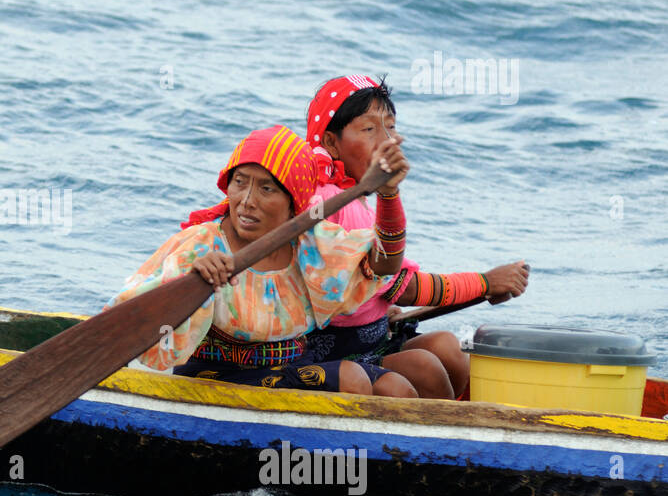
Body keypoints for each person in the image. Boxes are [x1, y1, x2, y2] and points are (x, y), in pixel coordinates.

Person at [107, 125, 417, 396]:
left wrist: (388, 194)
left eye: (266, 188)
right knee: (351, 379)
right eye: (240, 182)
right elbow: (132, 324)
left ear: (293, 202)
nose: (246, 200)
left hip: (293, 366)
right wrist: (192, 278)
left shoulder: (311, 244)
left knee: (397, 388)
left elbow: (384, 265)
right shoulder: (201, 245)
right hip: (215, 376)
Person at [302, 74, 528, 399]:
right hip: (337, 355)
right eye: (369, 129)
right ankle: (452, 430)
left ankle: (460, 421)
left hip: (372, 338)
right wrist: (484, 283)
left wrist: (381, 307)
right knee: (424, 366)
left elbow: (377, 282)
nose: (388, 140)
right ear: (330, 142)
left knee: (447, 346)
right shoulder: (328, 199)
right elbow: (403, 287)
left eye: (391, 127)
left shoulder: (354, 196)